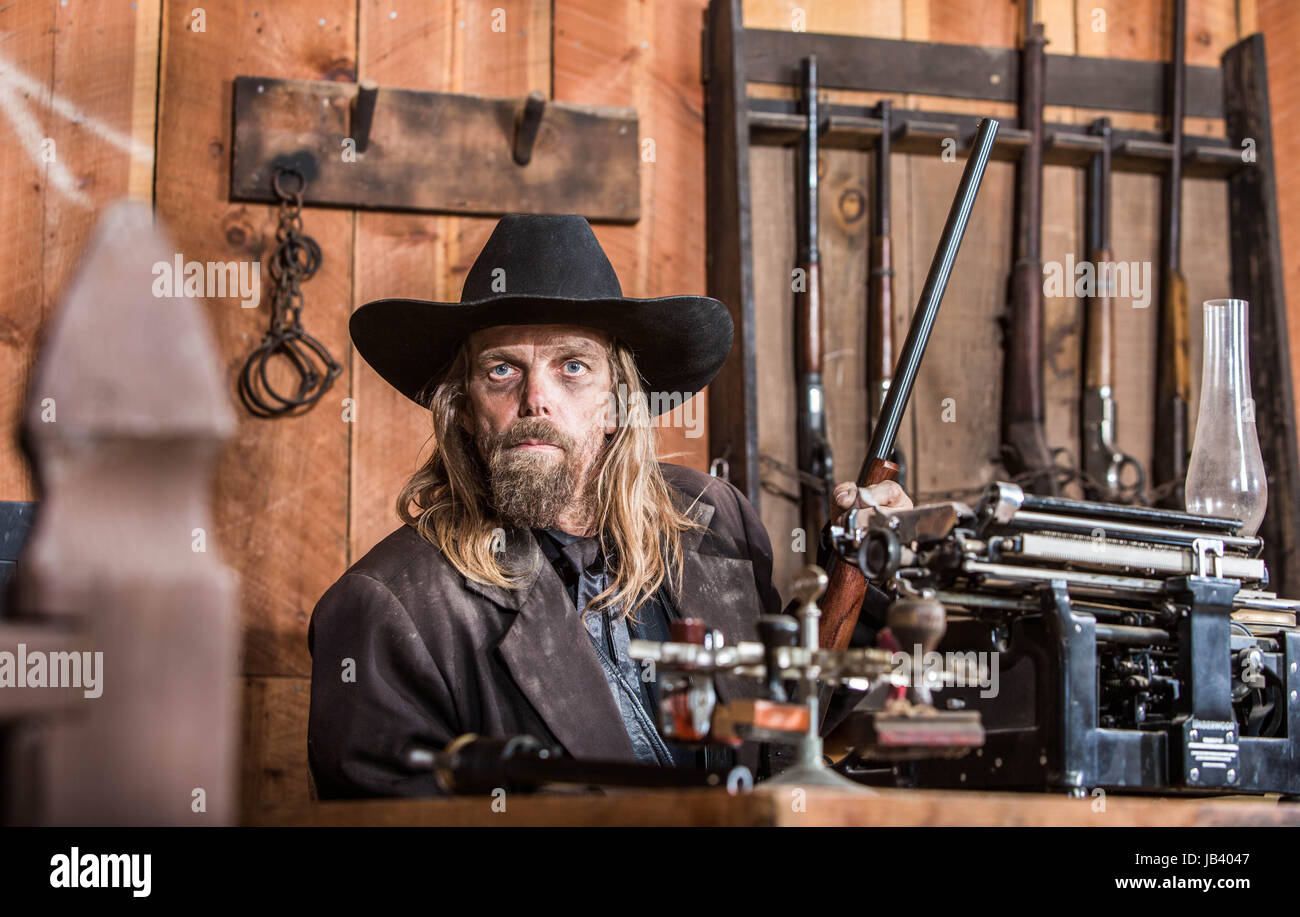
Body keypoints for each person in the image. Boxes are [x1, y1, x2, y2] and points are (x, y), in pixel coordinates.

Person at [307, 213, 911, 799]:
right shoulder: (389, 608)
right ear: (463, 407)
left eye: (572, 366)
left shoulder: (714, 520)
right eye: (501, 370)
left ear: (620, 399)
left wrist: (866, 570)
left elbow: (786, 731)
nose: (535, 400)